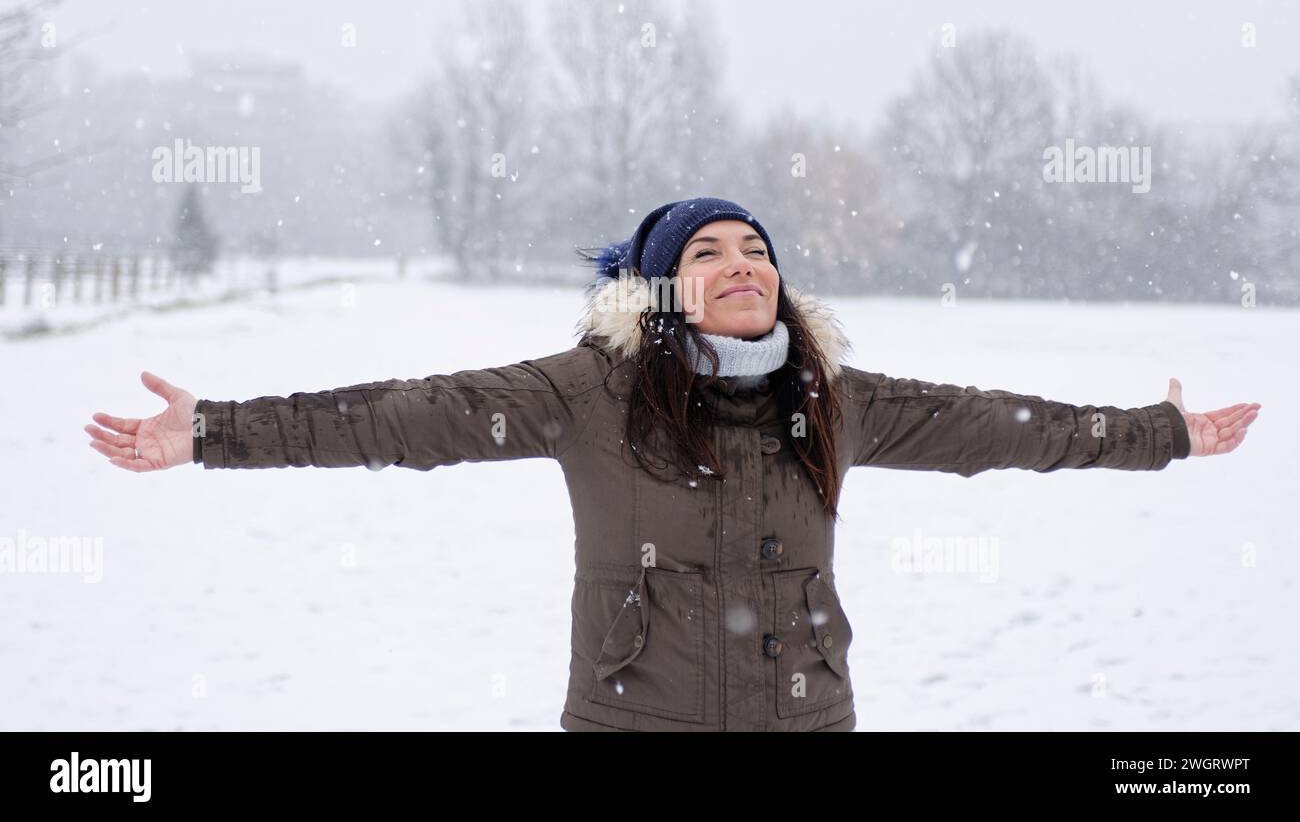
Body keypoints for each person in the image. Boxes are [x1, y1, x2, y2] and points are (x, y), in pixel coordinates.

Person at [84, 196, 1261, 731]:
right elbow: (409, 414)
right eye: (708, 250)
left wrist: (1158, 433)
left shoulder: (832, 401)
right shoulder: (586, 392)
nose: (742, 261)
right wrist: (216, 429)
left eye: (757, 247)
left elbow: (1008, 428)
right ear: (657, 286)